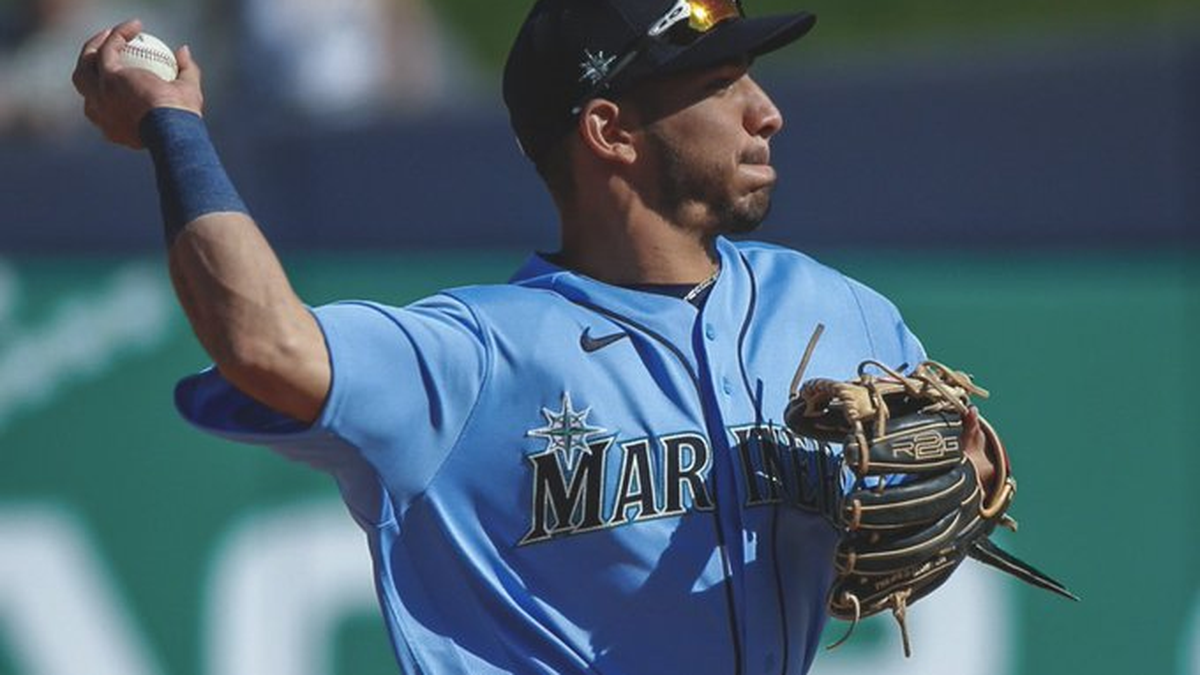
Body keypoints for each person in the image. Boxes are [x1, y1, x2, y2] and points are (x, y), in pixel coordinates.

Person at [72, 1, 994, 673]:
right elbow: (259, 341)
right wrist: (173, 126)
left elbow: (949, 476)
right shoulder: (474, 356)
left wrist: (968, 468)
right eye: (720, 85)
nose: (766, 110)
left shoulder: (842, 314)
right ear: (609, 131)